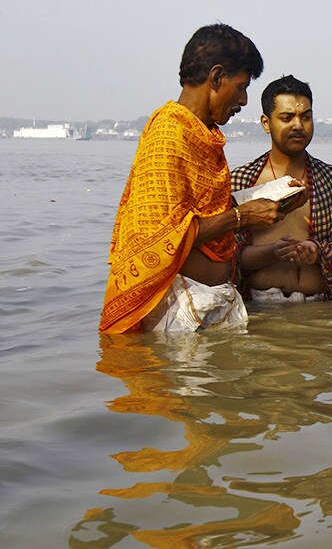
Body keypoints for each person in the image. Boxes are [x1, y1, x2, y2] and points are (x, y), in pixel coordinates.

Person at [99, 24, 289, 334]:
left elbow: (202, 214)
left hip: (208, 304)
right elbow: (162, 237)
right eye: (241, 86)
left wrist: (270, 203)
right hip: (175, 307)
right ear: (216, 77)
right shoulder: (168, 135)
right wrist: (242, 216)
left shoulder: (203, 137)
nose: (243, 100)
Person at [230, 75, 332, 303]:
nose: (298, 126)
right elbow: (224, 257)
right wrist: (272, 253)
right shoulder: (241, 182)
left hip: (317, 310)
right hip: (257, 311)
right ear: (266, 123)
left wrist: (316, 251)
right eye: (287, 118)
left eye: (306, 117)